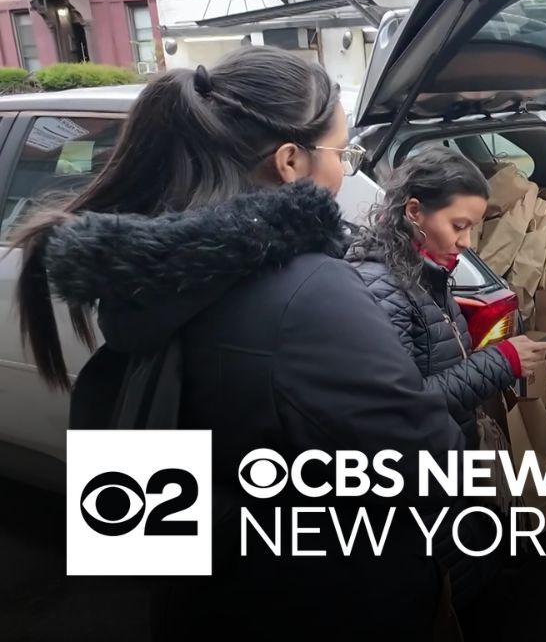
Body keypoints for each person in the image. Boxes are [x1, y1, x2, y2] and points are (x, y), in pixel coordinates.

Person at [12, 47, 487, 640]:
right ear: (291, 160)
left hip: (212, 603)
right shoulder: (309, 292)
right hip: (325, 606)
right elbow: (426, 464)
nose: (345, 170)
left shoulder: (159, 280)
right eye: (343, 153)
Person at [344, 146, 546, 451]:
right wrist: (502, 361)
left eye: (472, 227)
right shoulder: (380, 289)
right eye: (458, 226)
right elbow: (403, 406)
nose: (467, 242)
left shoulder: (424, 270)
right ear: (414, 212)